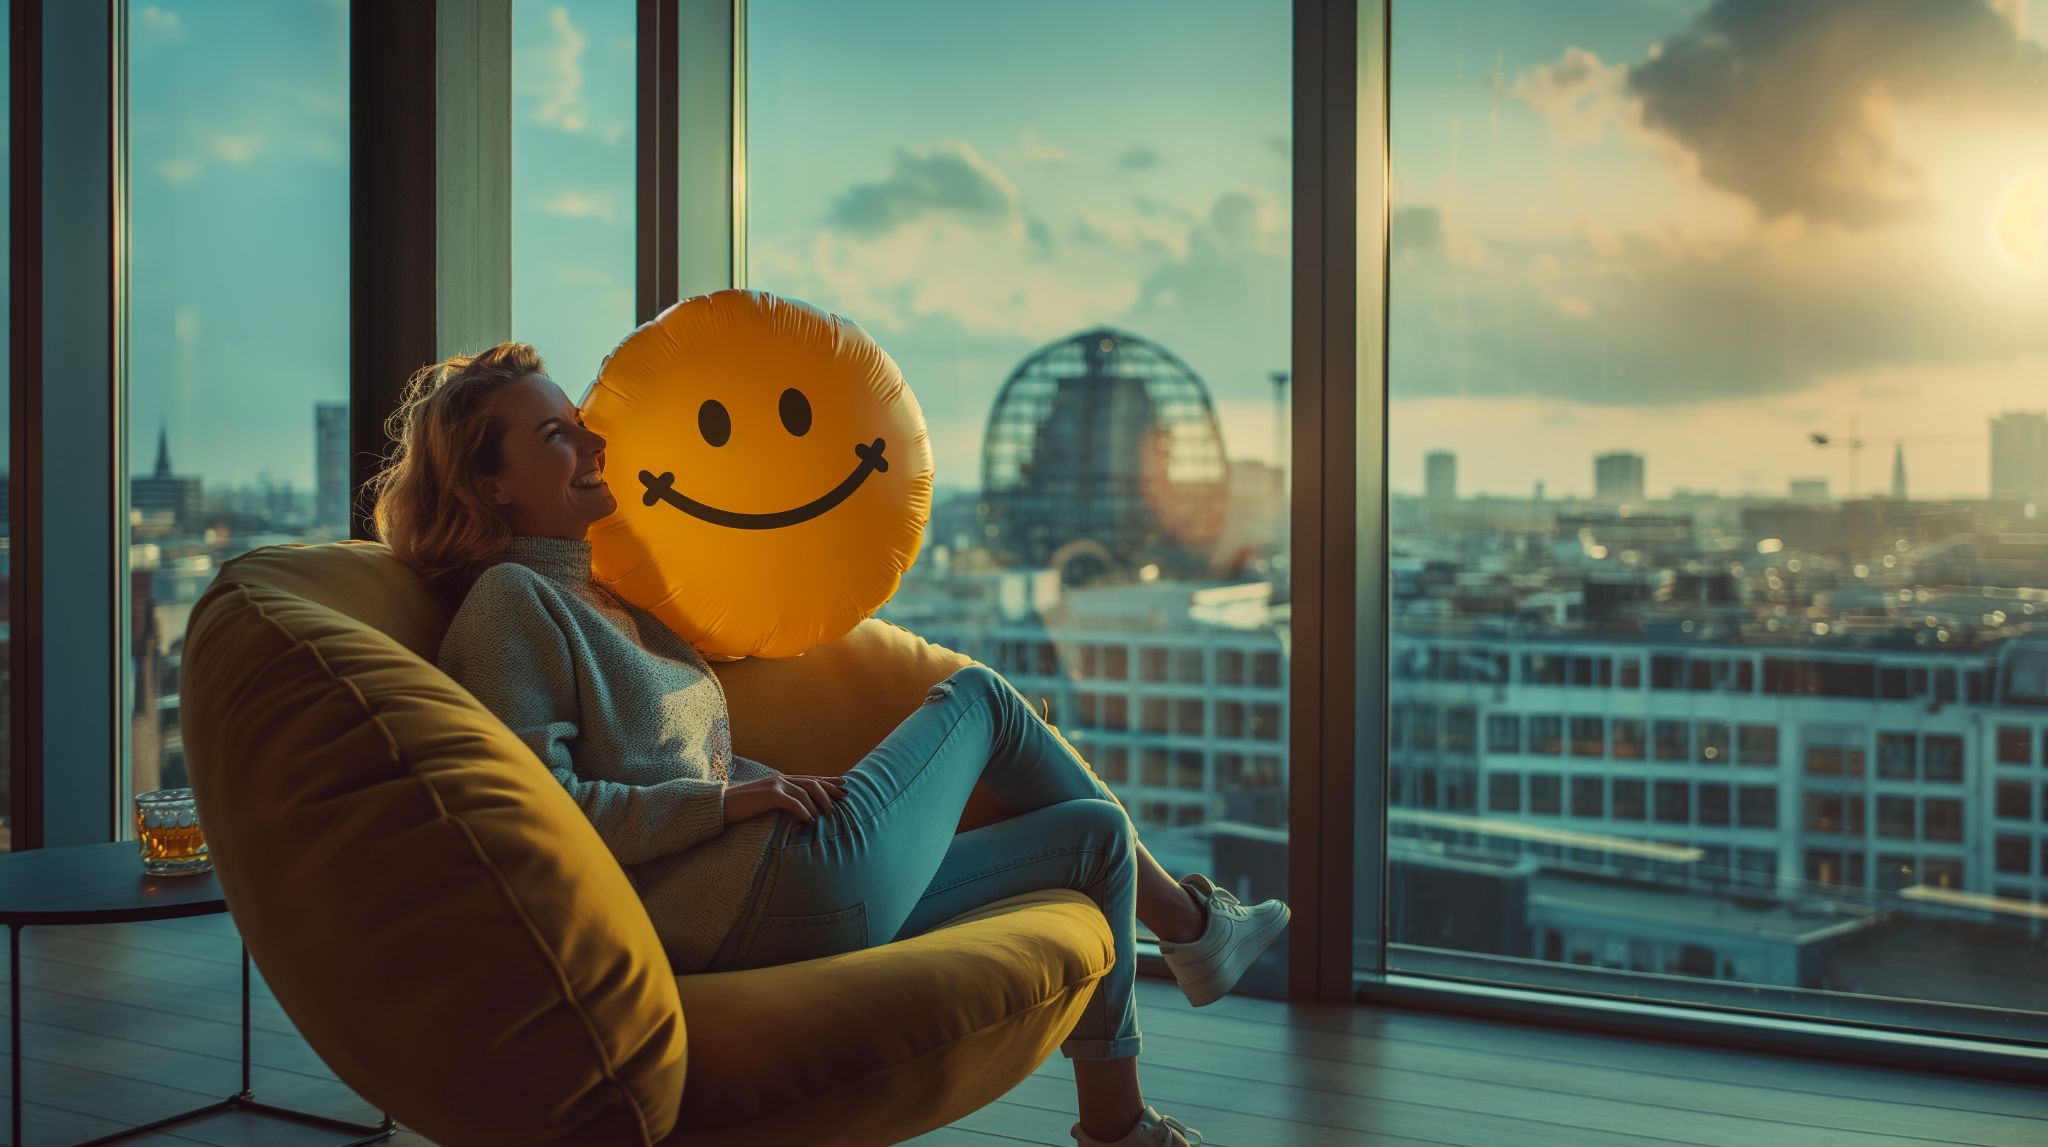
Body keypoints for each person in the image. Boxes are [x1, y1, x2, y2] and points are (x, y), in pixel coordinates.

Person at [369, 343, 1290, 1147]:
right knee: (979, 697)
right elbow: (547, 817)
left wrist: (768, 783)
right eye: (556, 436)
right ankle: (1198, 931)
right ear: (489, 484)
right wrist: (730, 802)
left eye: (580, 424)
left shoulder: (602, 596)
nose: (595, 444)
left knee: (1091, 835)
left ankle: (1118, 1129)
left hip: (782, 882)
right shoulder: (508, 605)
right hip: (749, 897)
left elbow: (685, 755)